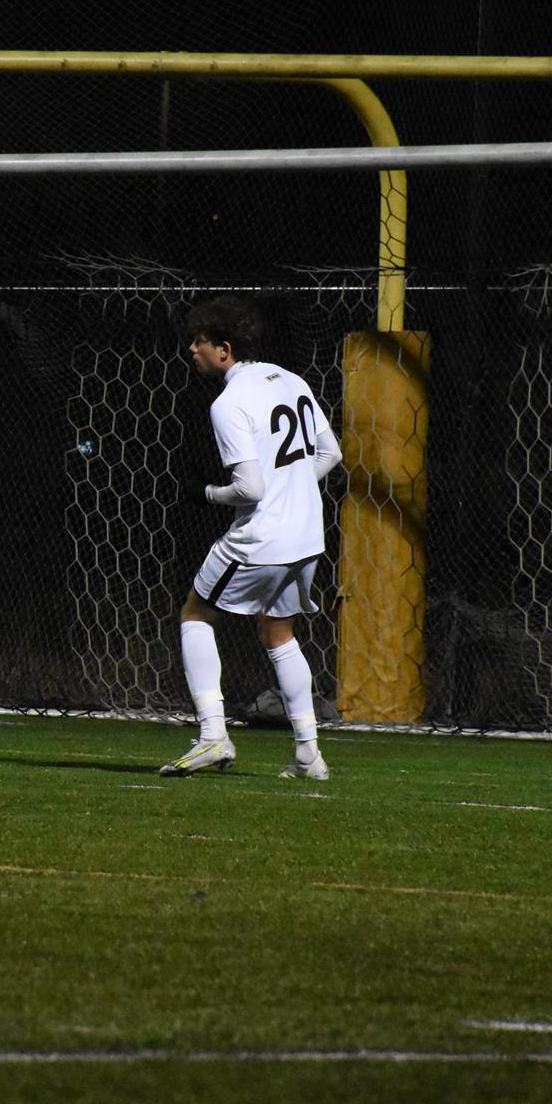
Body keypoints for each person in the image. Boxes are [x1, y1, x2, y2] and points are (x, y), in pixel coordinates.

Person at [162, 295, 342, 781]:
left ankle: (213, 737)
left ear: (224, 349)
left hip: (261, 538)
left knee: (196, 614)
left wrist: (206, 494)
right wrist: (296, 488)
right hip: (308, 534)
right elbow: (331, 452)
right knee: (278, 632)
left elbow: (251, 488)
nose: (192, 351)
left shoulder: (229, 402)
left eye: (198, 342)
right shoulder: (291, 380)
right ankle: (309, 755)